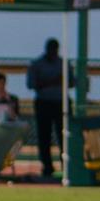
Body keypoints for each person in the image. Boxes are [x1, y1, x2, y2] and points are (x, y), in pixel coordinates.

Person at [26, 37, 66, 178]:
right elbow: (32, 84)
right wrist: (52, 81)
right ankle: (47, 167)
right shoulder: (37, 64)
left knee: (64, 135)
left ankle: (66, 165)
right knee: (44, 137)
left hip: (61, 103)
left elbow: (71, 82)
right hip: (43, 103)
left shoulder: (63, 64)